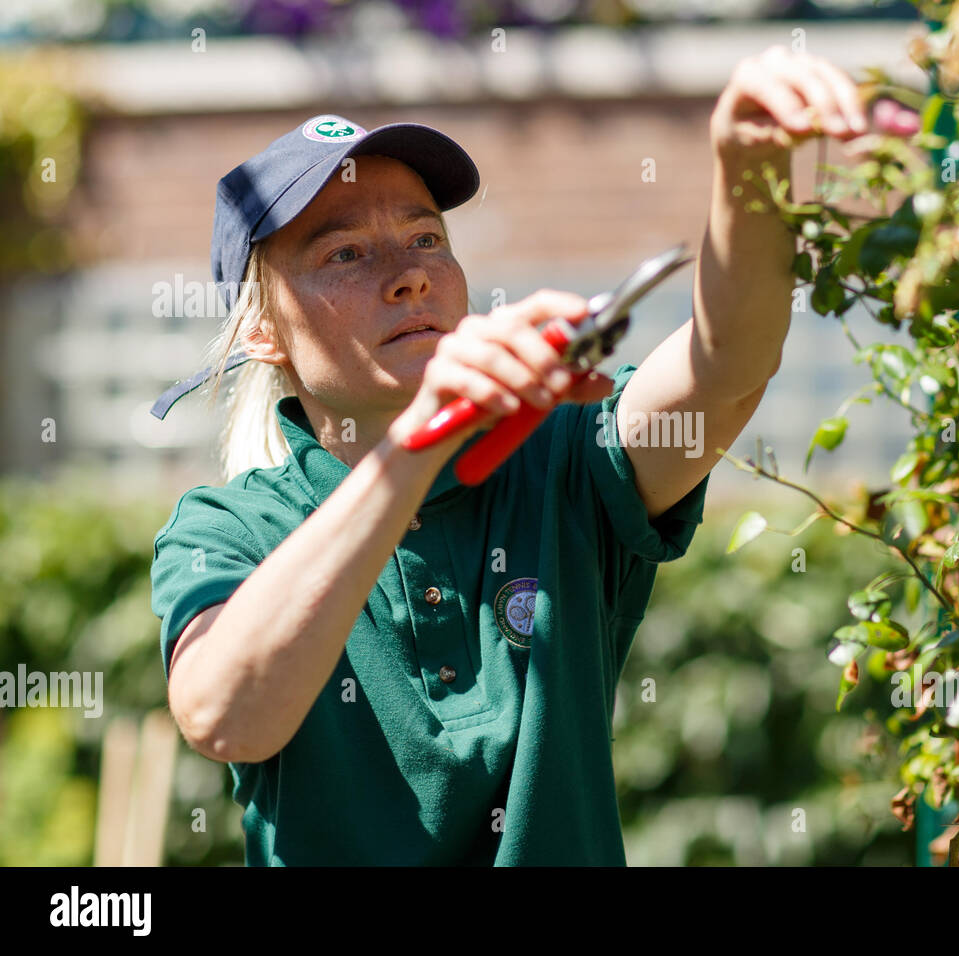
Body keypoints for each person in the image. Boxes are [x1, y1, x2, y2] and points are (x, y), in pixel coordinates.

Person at [149, 45, 908, 865]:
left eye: (426, 238)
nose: (409, 276)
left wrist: (747, 177)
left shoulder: (561, 455)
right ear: (262, 332)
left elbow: (727, 373)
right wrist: (419, 445)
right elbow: (226, 714)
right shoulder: (226, 529)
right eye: (344, 254)